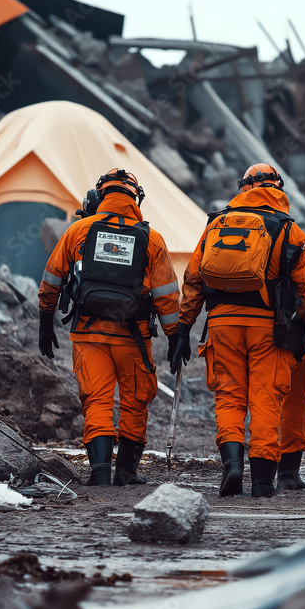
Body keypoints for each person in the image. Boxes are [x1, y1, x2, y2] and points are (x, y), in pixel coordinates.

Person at [172, 163, 305, 498]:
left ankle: (232, 466)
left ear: (243, 187)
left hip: (220, 325)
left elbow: (193, 279)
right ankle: (263, 482)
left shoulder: (216, 223)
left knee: (229, 396)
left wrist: (183, 328)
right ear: (278, 188)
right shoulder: (289, 229)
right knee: (265, 399)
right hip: (268, 327)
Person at [38, 169, 180, 486]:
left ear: (101, 196)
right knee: (135, 399)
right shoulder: (151, 239)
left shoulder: (78, 231)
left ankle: (100, 471)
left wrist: (45, 323)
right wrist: (175, 337)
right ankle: (127, 472)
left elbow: (51, 280)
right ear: (135, 197)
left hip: (88, 333)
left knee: (97, 400)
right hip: (133, 336)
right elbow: (167, 296)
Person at [276, 346, 305, 490]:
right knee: (294, 402)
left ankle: (258, 475)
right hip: (295, 339)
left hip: (256, 335)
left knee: (261, 403)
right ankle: (288, 474)